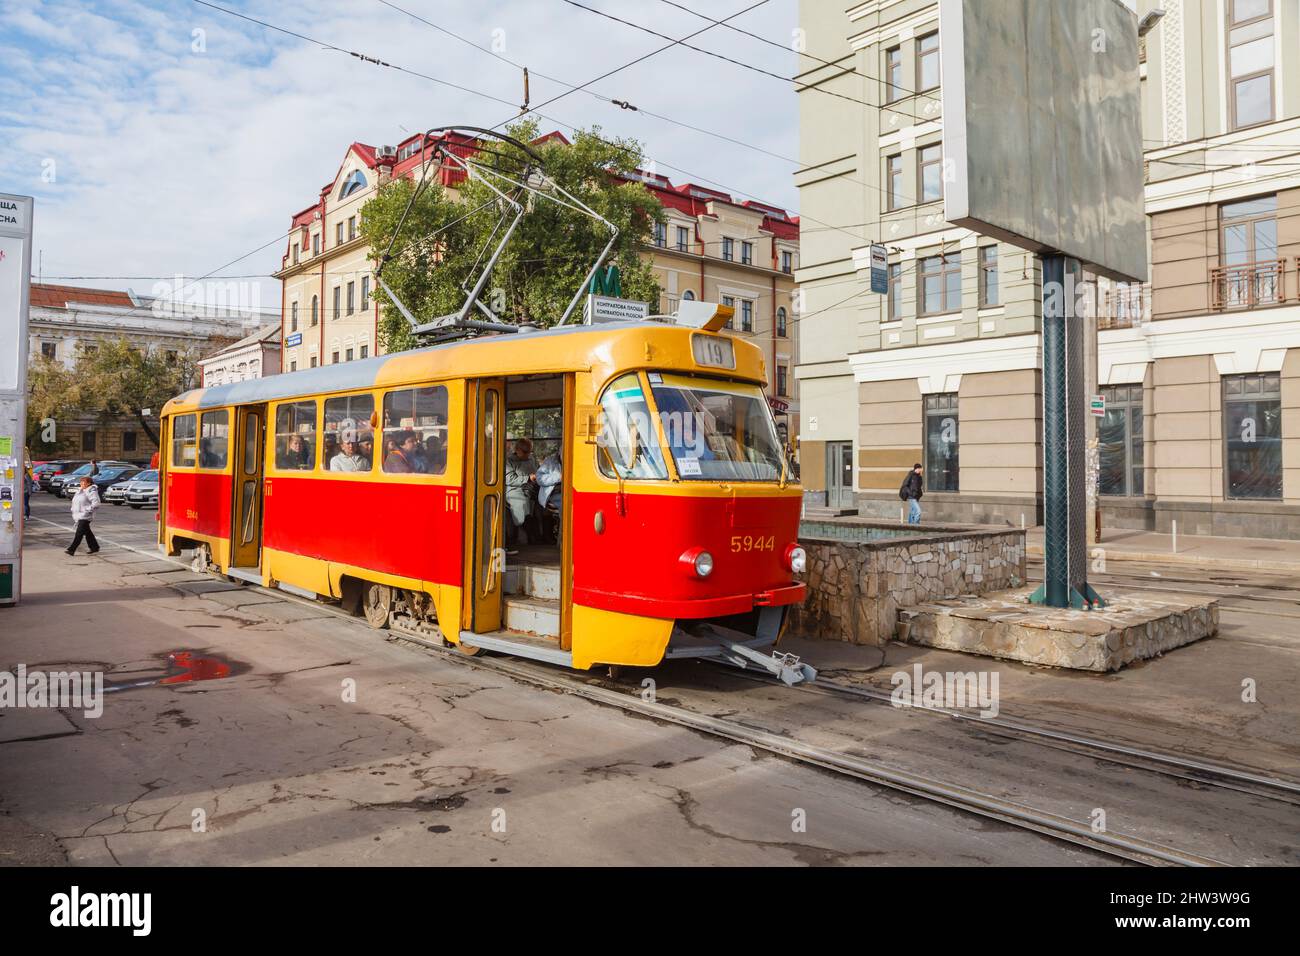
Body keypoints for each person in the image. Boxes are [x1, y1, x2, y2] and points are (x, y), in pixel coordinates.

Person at [505, 438, 538, 544]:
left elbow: (539, 470)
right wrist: (527, 478)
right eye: (525, 452)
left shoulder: (532, 459)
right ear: (517, 450)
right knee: (522, 504)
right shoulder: (509, 461)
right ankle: (528, 534)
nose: (528, 454)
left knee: (543, 504)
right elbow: (509, 479)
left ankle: (543, 535)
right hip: (515, 489)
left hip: (532, 488)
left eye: (529, 451)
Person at [66, 477, 101, 556]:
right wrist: (73, 509)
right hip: (78, 515)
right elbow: (75, 501)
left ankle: (72, 549)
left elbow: (96, 503)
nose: (81, 484)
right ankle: (94, 547)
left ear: (89, 483)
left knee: (79, 533)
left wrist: (87, 510)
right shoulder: (80, 490)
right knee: (87, 532)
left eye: (83, 483)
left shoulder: (92, 491)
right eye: (81, 483)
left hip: (85, 516)